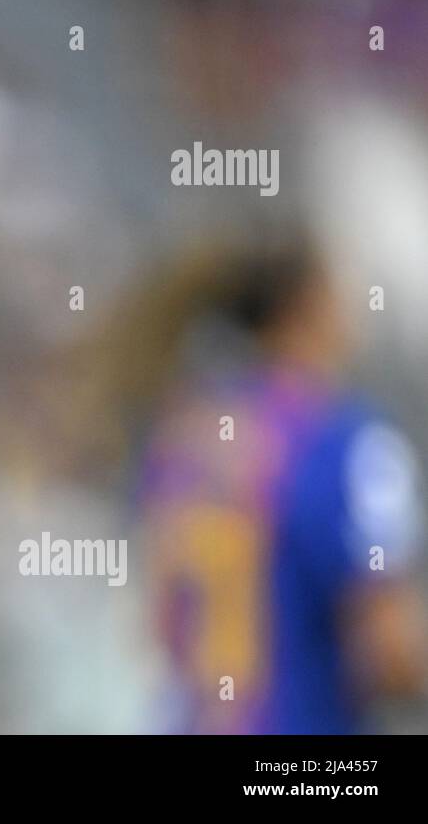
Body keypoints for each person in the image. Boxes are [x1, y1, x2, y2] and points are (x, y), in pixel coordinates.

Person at [118, 234, 428, 732]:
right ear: (310, 303)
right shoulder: (344, 440)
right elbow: (387, 649)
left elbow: (157, 622)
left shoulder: (180, 436)